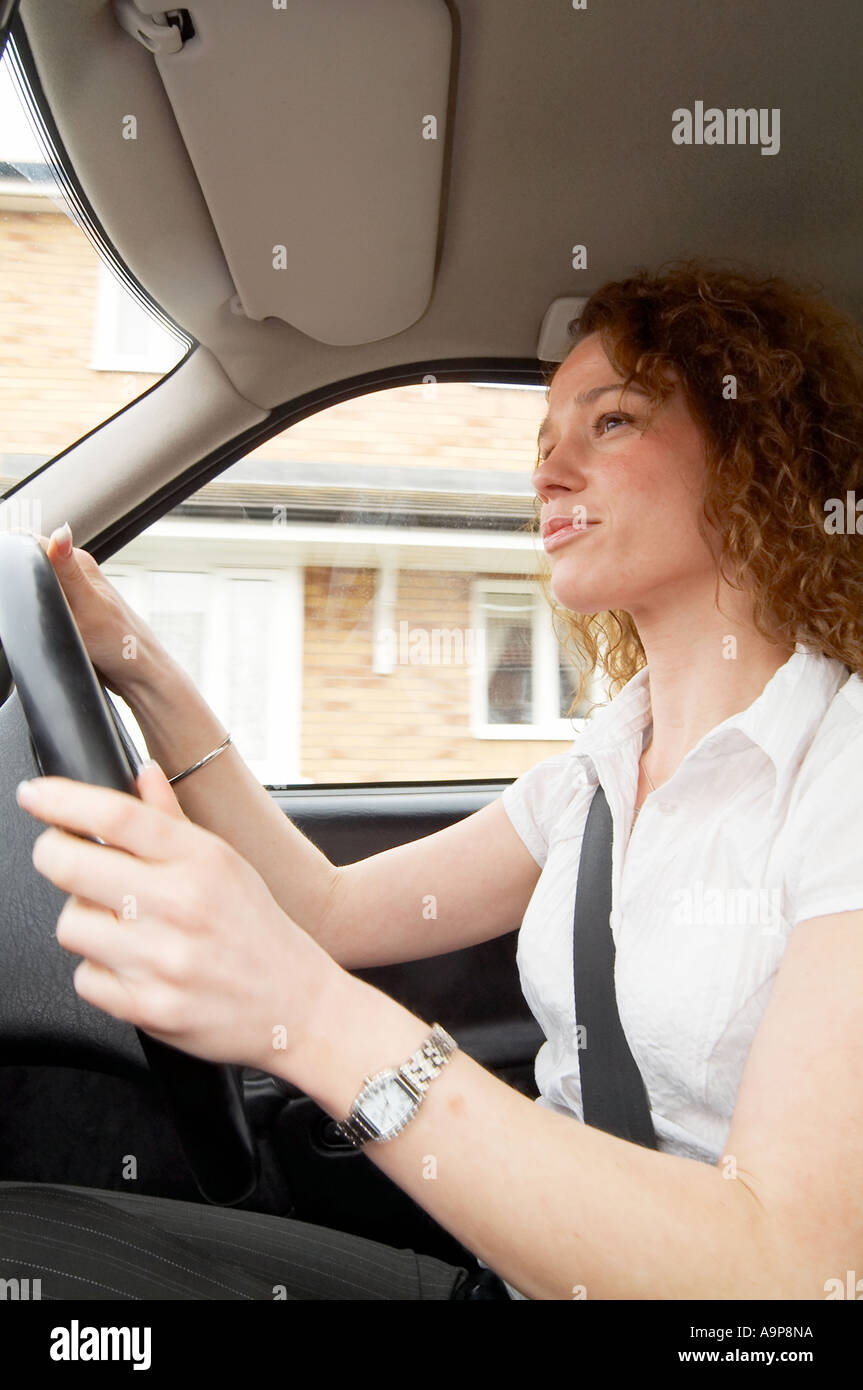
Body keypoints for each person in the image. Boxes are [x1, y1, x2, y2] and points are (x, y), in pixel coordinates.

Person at [2, 260, 862, 1299]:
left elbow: (793, 1278)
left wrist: (309, 1015)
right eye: (543, 441)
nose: (547, 473)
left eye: (611, 422)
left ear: (749, 448)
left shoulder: (838, 765)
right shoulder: (588, 777)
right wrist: (137, 662)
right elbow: (323, 908)